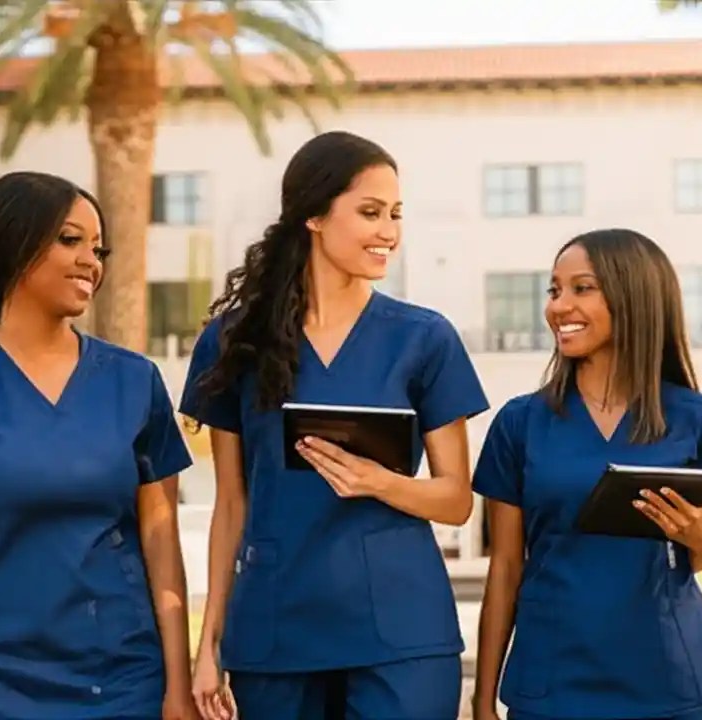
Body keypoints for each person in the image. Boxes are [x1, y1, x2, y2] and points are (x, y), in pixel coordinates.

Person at [180, 130, 489, 720]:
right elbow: (231, 507)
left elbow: (456, 500)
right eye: (370, 212)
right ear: (314, 216)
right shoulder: (235, 342)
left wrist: (378, 481)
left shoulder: (424, 338)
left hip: (402, 632)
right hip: (275, 628)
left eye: (396, 214)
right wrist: (209, 643)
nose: (389, 232)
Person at [0, 171, 197, 720]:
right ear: (13, 244)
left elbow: (162, 549)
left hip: (121, 684)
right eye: (70, 240)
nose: (91, 262)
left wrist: (179, 688)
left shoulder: (135, 382)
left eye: (98, 248)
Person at [471, 228, 702, 720]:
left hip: (671, 681)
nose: (559, 306)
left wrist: (697, 536)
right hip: (552, 682)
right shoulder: (520, 423)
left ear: (633, 296)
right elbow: (507, 567)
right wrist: (482, 698)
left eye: (582, 288)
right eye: (554, 290)